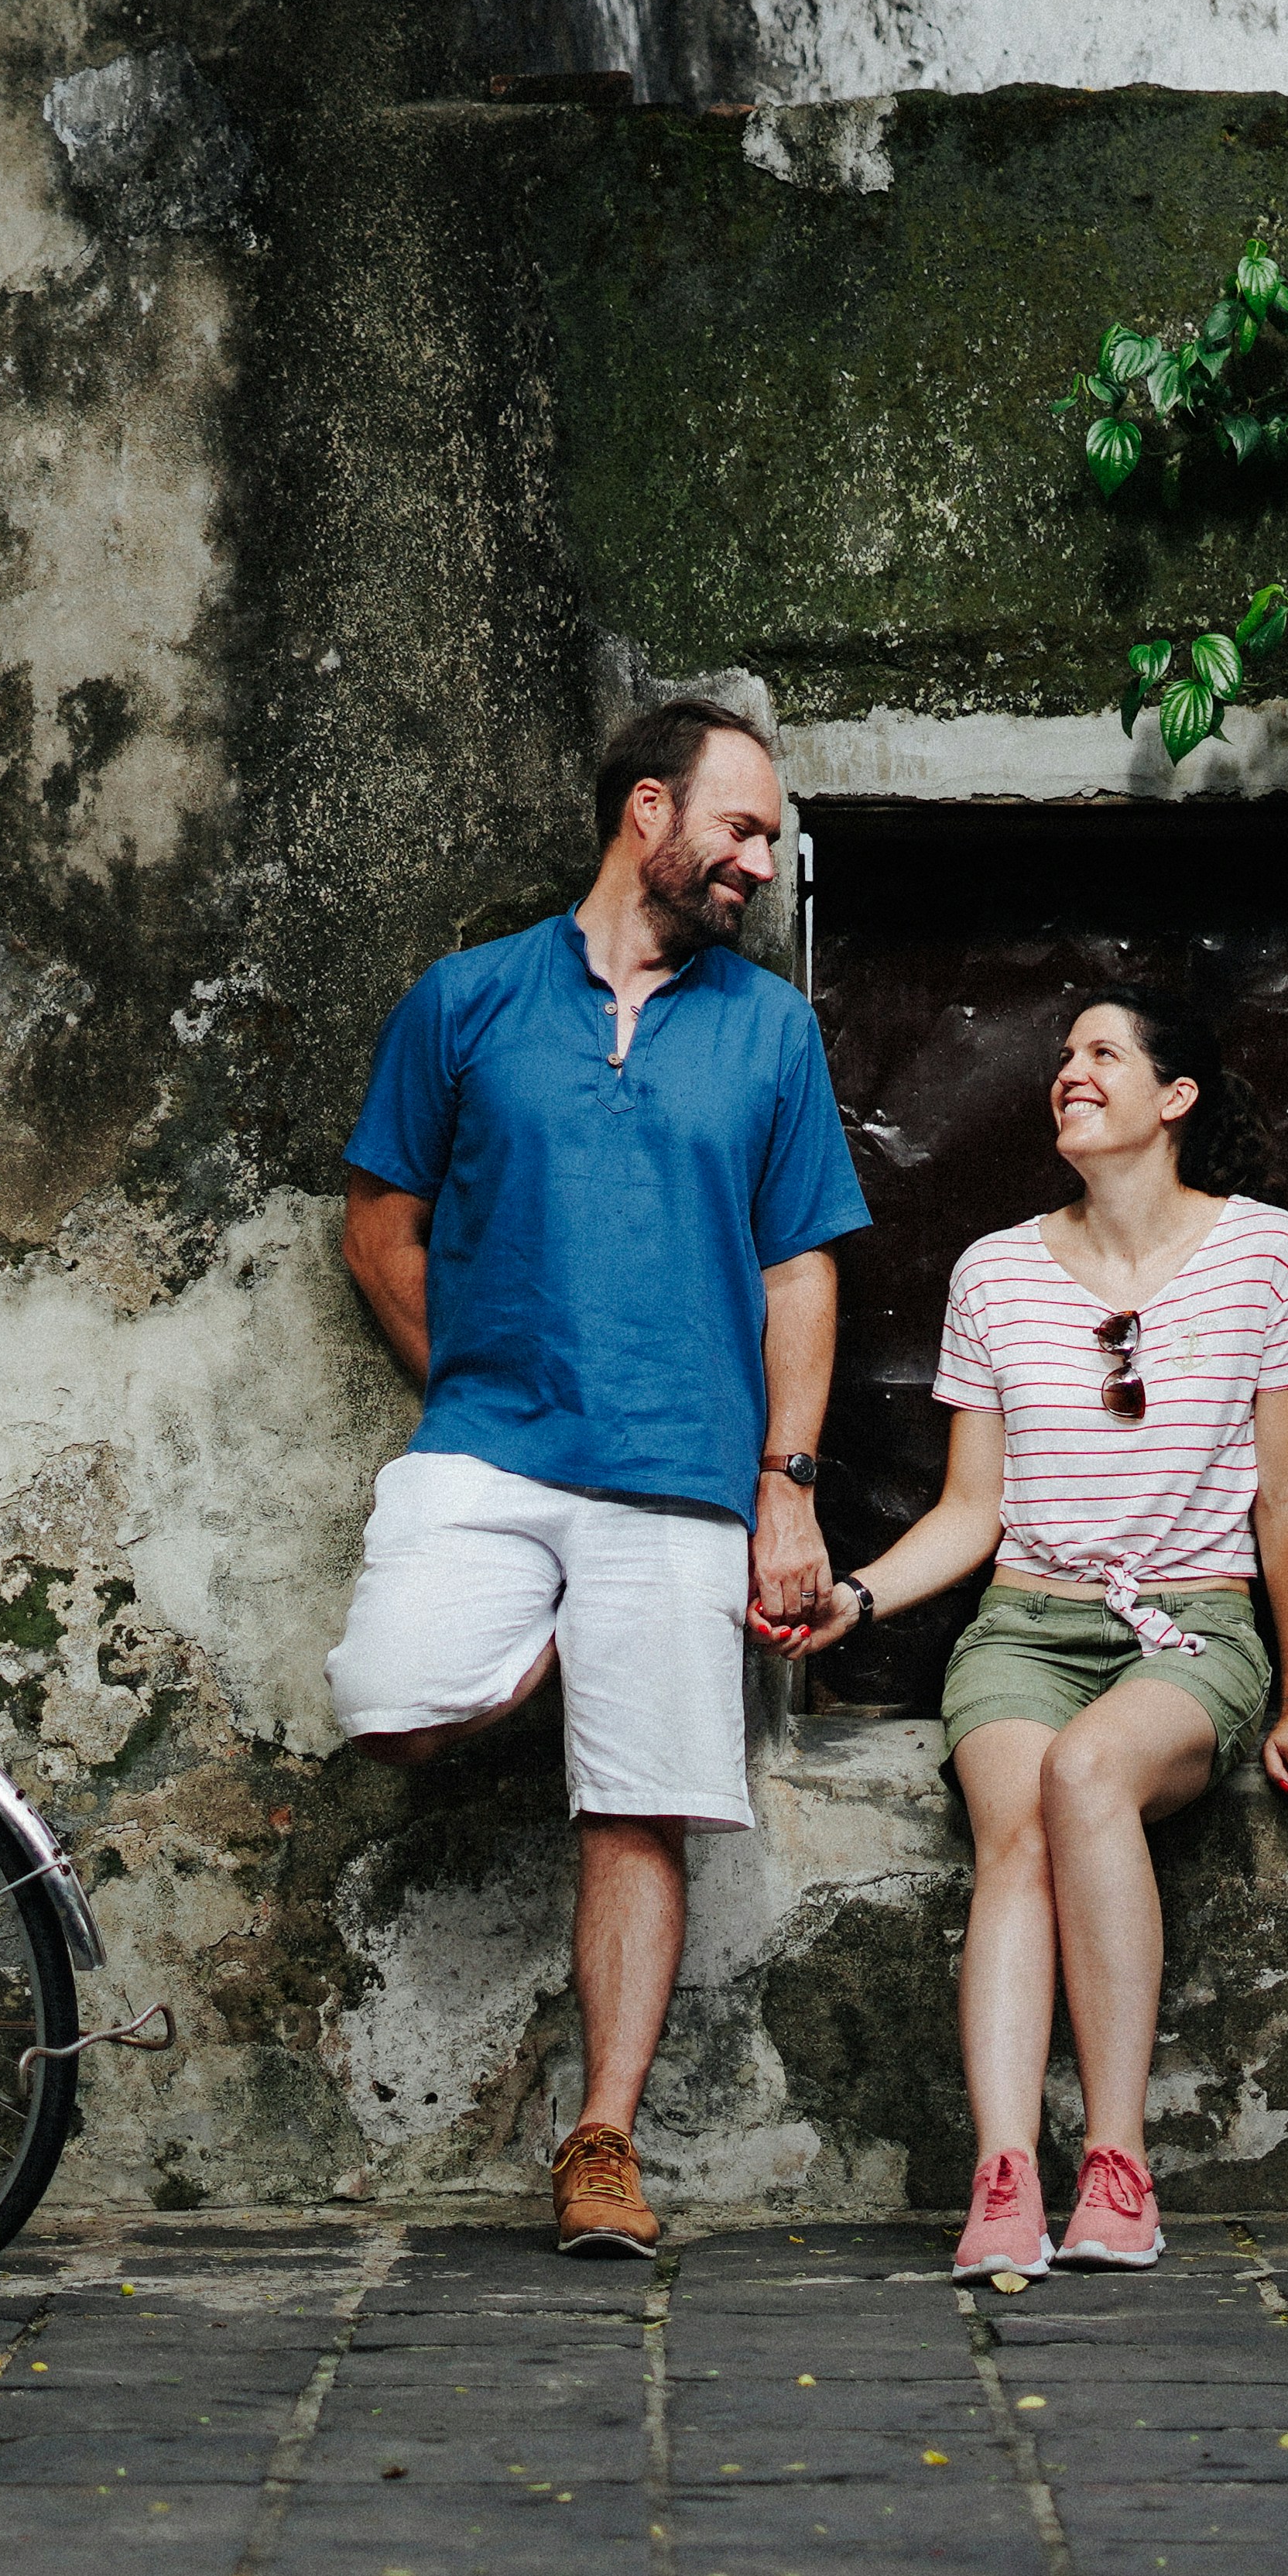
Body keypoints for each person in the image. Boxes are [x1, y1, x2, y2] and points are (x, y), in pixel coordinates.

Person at [328, 696, 872, 2259]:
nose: (757, 862)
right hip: (490, 1449)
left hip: (683, 1480)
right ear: (648, 809)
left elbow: (799, 1268)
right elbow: (377, 1226)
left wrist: (786, 1485)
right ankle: (569, 1636)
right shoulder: (467, 999)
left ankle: (602, 2140)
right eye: (740, 827)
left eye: (768, 839)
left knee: (638, 1807)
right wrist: (481, 1371)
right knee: (389, 1699)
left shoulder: (770, 1030)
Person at [780, 986, 1288, 2280]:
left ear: (1175, 1097)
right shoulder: (994, 1272)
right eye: (1061, 1056)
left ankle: (1116, 2164)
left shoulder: (1263, 1252)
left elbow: (1287, 1497)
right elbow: (970, 1511)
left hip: (1191, 1626)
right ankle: (1002, 2179)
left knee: (1086, 1771)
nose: (1069, 1072)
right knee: (1017, 1828)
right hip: (1024, 1628)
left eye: (1103, 1053)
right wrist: (857, 1598)